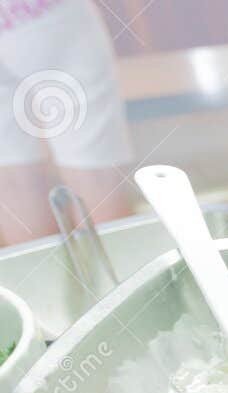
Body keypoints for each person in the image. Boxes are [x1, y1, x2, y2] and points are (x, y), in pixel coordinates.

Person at [0, 0, 134, 244]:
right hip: (40, 14)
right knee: (93, 174)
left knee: (10, 178)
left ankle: (42, 281)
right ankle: (124, 279)